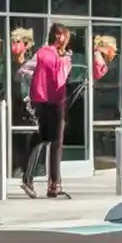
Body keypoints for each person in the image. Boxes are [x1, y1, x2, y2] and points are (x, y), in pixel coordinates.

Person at [22, 24, 72, 199]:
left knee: (52, 140)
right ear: (53, 36)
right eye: (58, 34)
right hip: (48, 100)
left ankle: (52, 184)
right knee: (51, 140)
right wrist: (33, 90)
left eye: (64, 35)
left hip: (52, 100)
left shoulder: (56, 55)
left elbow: (26, 71)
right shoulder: (45, 54)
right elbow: (25, 70)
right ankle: (42, 181)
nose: (61, 38)